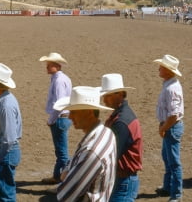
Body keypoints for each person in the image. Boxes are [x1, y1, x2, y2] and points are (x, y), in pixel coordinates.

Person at [54, 86, 117, 202]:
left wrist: (66, 174)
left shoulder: (91, 151)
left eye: (74, 112)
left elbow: (66, 195)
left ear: (89, 112)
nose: (70, 116)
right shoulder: (107, 133)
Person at [100, 73, 142, 202]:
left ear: (119, 94)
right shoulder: (121, 116)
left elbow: (111, 153)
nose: (104, 100)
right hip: (122, 180)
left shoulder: (121, 121)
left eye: (107, 96)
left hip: (123, 181)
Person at [0, 63, 21, 202]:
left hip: (5, 153)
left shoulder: (5, 104)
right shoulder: (5, 100)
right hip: (7, 152)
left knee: (4, 194)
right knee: (1, 191)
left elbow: (9, 138)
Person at [154, 55, 183, 202]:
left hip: (170, 127)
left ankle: (176, 194)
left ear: (167, 70)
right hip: (168, 126)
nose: (159, 68)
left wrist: (163, 127)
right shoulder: (168, 84)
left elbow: (173, 115)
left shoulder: (171, 88)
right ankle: (167, 187)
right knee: (167, 158)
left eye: (161, 67)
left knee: (173, 161)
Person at [41, 52, 73, 185]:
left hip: (60, 118)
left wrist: (51, 120)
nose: (47, 67)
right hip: (64, 117)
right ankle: (57, 176)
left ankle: (63, 181)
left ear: (57, 66)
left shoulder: (58, 80)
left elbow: (59, 103)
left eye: (50, 65)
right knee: (61, 151)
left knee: (62, 152)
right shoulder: (62, 78)